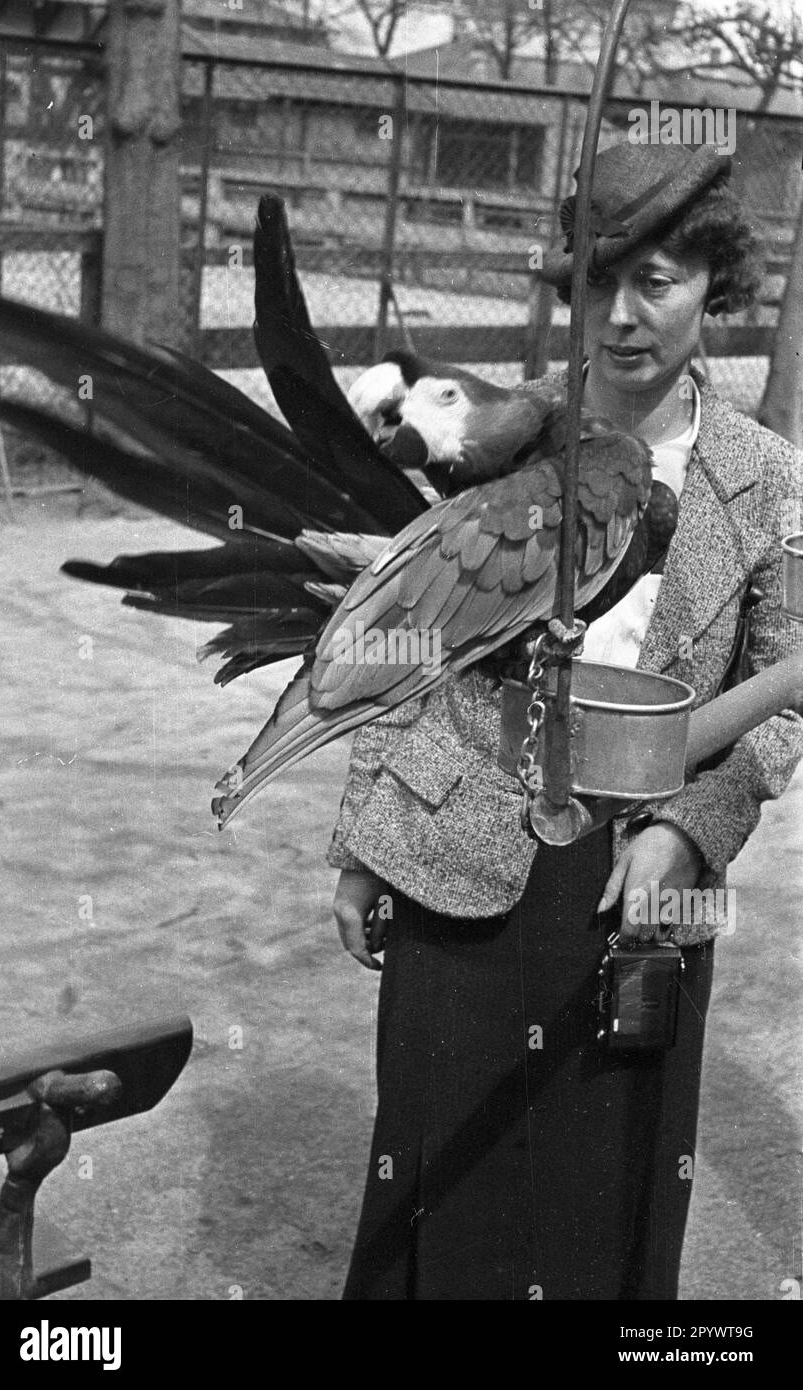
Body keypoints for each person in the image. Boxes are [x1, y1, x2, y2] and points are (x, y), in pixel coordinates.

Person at [326, 143, 803, 1301]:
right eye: (598, 284)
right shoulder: (490, 442)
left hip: (637, 883)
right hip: (455, 860)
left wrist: (689, 829)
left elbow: (783, 695)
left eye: (659, 281)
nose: (625, 316)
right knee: (436, 1177)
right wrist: (357, 842)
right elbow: (409, 655)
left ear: (713, 289)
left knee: (606, 1195)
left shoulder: (766, 477)